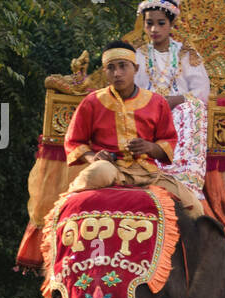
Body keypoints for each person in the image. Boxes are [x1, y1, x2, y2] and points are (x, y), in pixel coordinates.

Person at [63, 40, 196, 210]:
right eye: (111, 68)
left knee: (192, 205)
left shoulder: (157, 102)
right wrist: (93, 157)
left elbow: (168, 141)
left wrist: (149, 147)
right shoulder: (92, 102)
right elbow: (73, 141)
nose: (117, 73)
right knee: (96, 173)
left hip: (147, 172)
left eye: (123, 66)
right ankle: (64, 209)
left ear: (136, 69)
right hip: (110, 168)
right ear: (105, 71)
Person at [133, 0, 211, 199]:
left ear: (171, 24)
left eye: (160, 23)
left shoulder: (186, 54)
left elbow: (201, 91)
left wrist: (173, 101)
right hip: (148, 108)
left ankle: (184, 177)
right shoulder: (139, 55)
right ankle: (147, 173)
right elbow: (132, 89)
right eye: (149, 24)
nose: (154, 29)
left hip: (179, 110)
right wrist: (151, 102)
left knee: (192, 109)